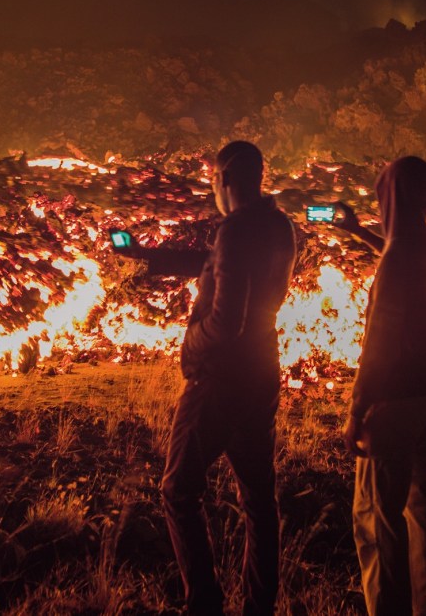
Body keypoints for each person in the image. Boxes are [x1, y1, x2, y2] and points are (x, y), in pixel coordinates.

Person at [112, 140, 296, 615]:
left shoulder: (236, 229)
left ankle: (205, 603)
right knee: (259, 500)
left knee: (178, 490)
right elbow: (215, 263)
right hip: (261, 371)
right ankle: (260, 606)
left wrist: (190, 346)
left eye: (213, 179)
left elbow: (226, 319)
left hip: (218, 380)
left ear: (224, 179)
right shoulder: (277, 225)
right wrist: (150, 255)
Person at [336, 156, 426, 616]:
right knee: (422, 517)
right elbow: (395, 249)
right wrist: (358, 233)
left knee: (377, 525)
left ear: (394, 197)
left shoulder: (396, 261)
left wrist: (356, 410)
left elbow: (378, 344)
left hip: (394, 409)